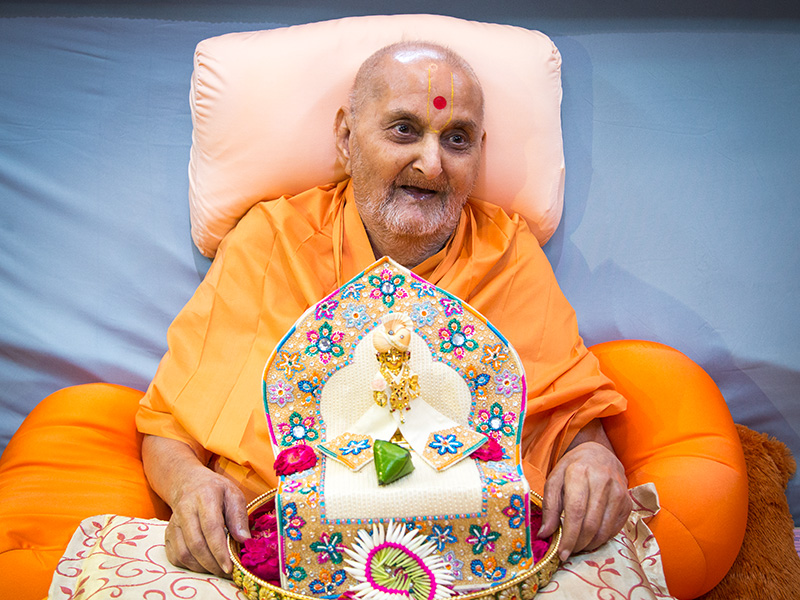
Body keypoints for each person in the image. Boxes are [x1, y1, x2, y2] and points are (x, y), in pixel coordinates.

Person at [137, 41, 631, 579]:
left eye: (457, 139)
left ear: (479, 153)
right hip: (282, 553)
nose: (432, 164)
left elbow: (572, 418)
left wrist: (592, 460)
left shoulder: (507, 254)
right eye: (404, 130)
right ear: (346, 138)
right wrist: (189, 484)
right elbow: (168, 426)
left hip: (471, 554)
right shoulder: (272, 242)